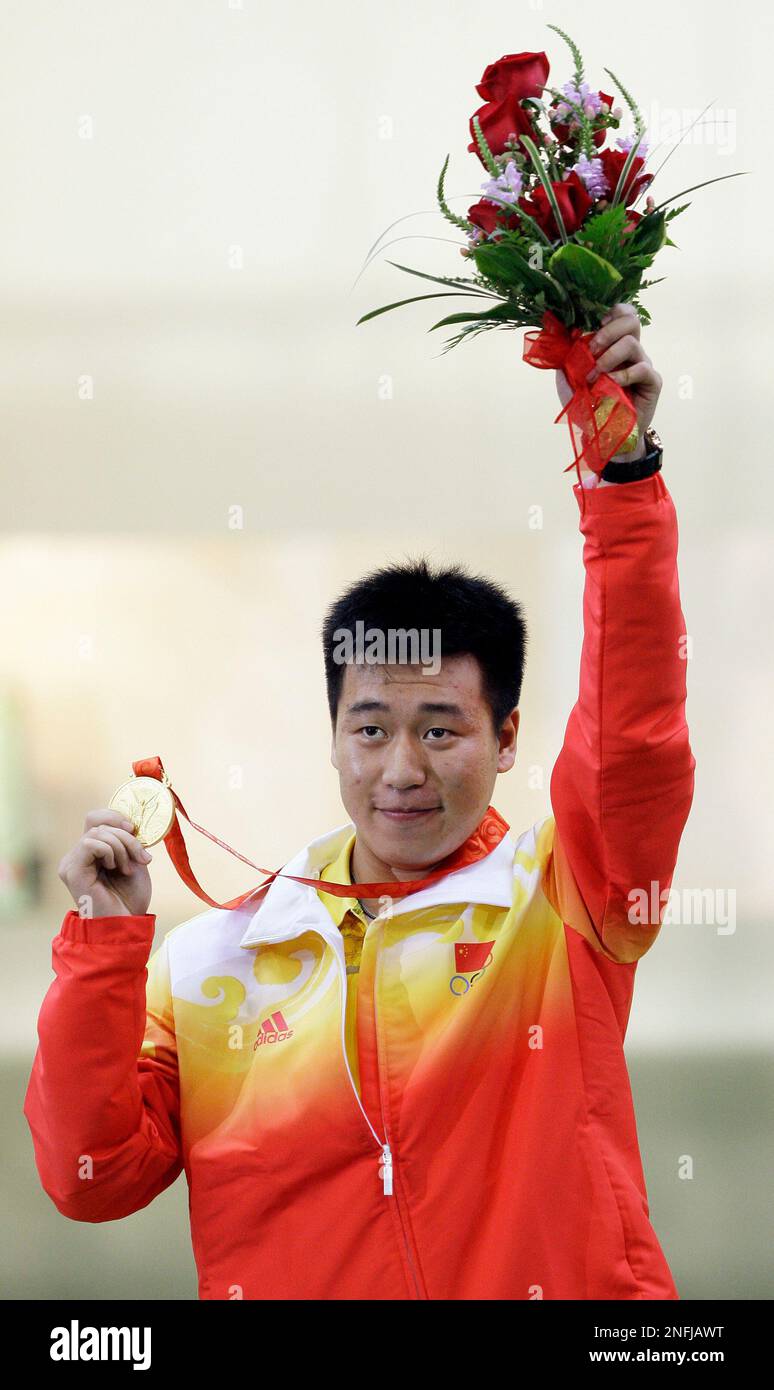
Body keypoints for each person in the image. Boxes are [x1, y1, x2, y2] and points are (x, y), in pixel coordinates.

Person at [24, 304, 695, 1300]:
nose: (401, 771)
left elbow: (633, 739)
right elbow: (92, 1179)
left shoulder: (565, 902)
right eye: (372, 728)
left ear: (508, 739)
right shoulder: (217, 966)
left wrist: (620, 477)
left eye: (441, 729)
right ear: (333, 733)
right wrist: (101, 955)